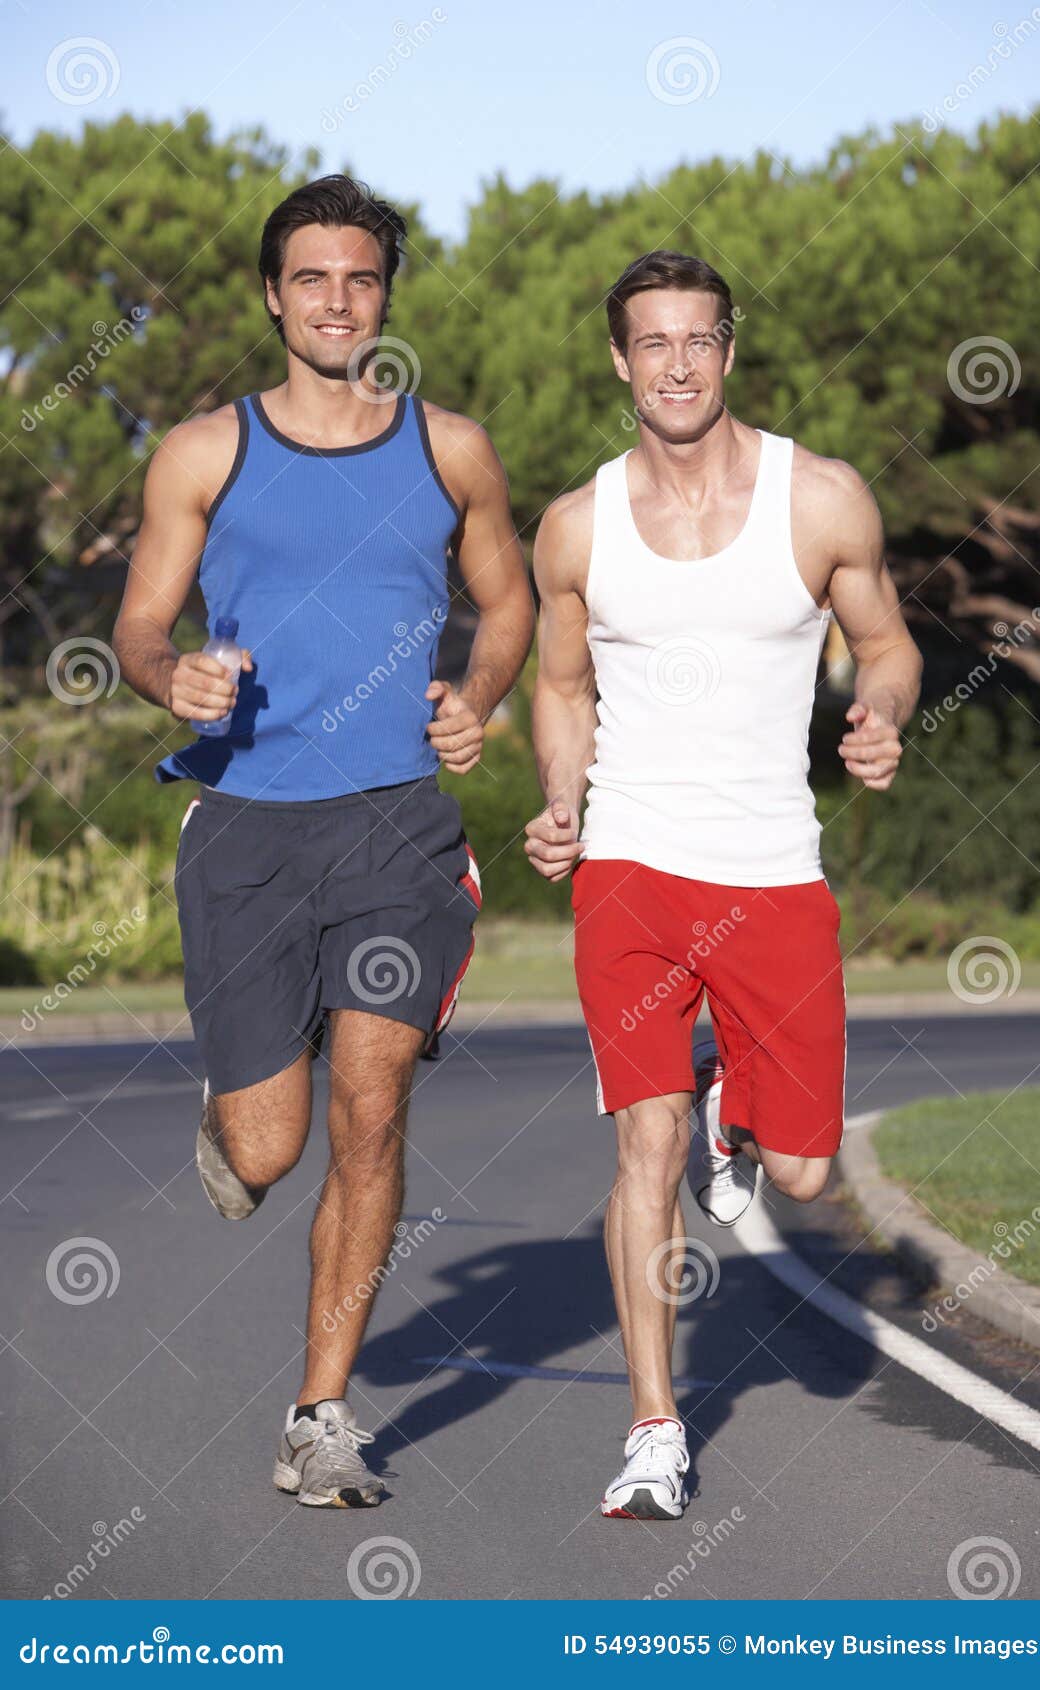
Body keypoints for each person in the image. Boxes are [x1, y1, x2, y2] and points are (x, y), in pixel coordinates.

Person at [113, 175, 534, 1509]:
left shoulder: (448, 449)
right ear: (272, 294)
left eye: (358, 277)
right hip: (245, 827)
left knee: (371, 1108)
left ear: (385, 294)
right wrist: (165, 674)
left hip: (396, 832)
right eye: (311, 277)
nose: (335, 299)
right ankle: (235, 1108)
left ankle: (319, 1414)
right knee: (267, 1150)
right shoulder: (202, 452)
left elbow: (509, 599)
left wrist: (474, 699)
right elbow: (136, 627)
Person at [524, 250, 920, 1520]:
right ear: (619, 361)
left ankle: (731, 1101)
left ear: (728, 351)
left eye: (698, 340)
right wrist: (558, 799)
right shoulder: (575, 526)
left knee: (802, 1175)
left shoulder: (819, 500)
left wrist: (880, 714)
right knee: (639, 1147)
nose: (677, 364)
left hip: (770, 871)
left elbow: (888, 644)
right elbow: (561, 684)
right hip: (630, 866)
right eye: (653, 343)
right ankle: (653, 1427)